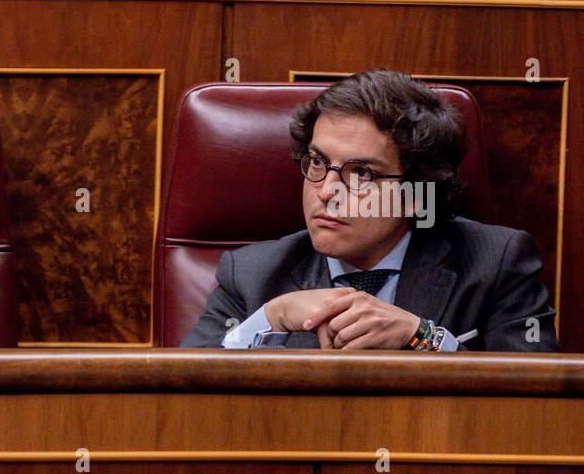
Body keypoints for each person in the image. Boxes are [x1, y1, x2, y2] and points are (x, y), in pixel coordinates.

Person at [182, 69, 558, 352]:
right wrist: (267, 319)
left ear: (416, 193)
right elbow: (181, 395)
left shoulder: (497, 264)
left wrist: (422, 339)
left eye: (361, 173)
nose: (326, 191)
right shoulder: (251, 275)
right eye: (317, 162)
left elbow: (533, 407)